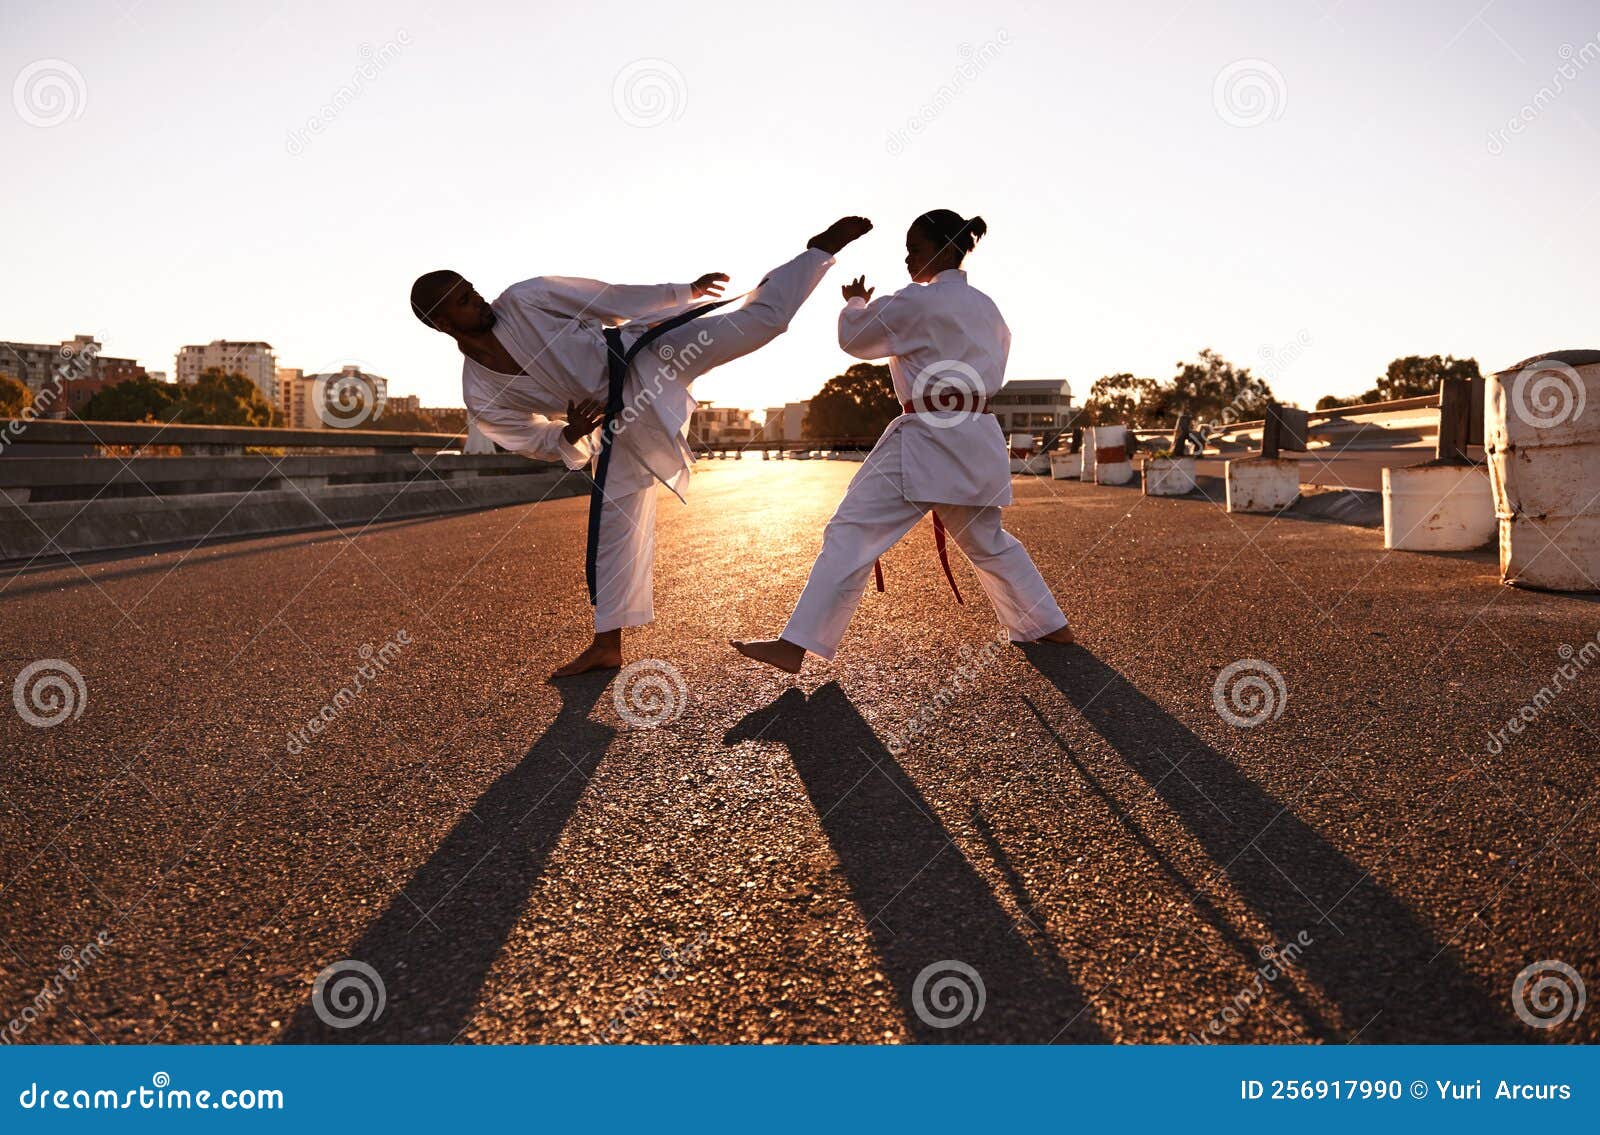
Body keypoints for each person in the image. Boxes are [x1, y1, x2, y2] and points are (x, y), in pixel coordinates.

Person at [410, 216, 874, 678]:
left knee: (760, 322)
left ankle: (816, 253)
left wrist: (684, 292)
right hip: (619, 426)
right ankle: (606, 645)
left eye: (471, 290)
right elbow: (521, 434)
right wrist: (566, 435)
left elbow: (607, 298)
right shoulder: (479, 390)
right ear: (440, 322)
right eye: (464, 302)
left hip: (646, 355)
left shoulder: (524, 298)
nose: (479, 300)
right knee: (613, 534)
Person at [733, 209, 1074, 673]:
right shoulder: (987, 307)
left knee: (851, 530)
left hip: (927, 436)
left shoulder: (917, 301)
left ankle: (795, 644)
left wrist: (854, 302)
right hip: (975, 435)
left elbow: (854, 338)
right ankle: (1047, 624)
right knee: (987, 540)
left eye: (915, 247)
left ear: (942, 248)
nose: (908, 256)